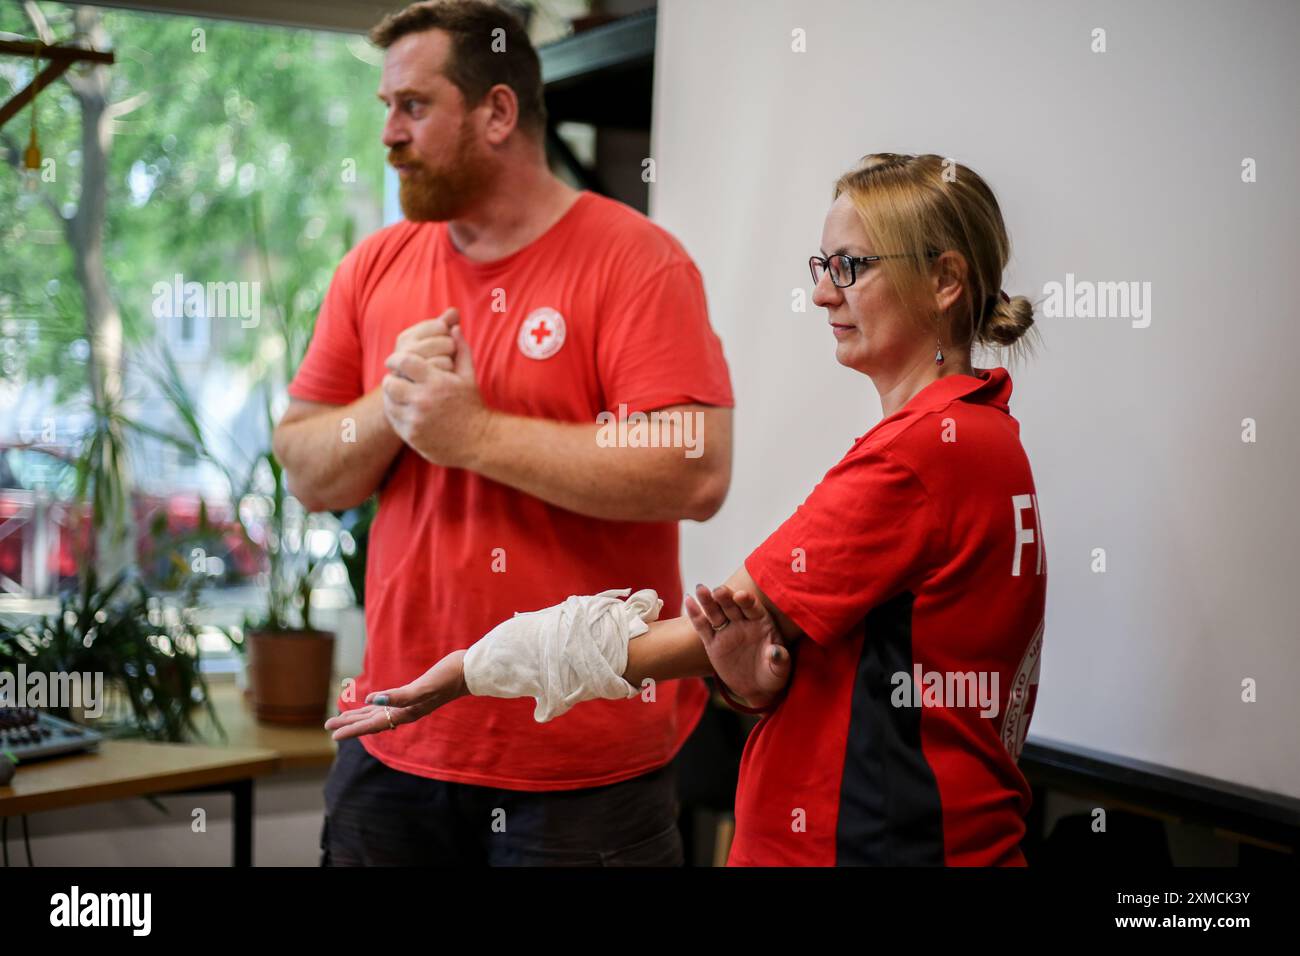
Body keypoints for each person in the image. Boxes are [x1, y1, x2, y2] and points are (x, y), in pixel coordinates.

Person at [327, 152, 1048, 866]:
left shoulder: (921, 455)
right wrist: (754, 674)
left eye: (852, 267)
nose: (825, 295)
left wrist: (467, 669)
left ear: (946, 279)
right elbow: (816, 650)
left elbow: (684, 634)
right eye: (820, 268)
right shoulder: (984, 433)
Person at [276, 0, 734, 866]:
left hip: (582, 767)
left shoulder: (634, 260)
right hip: (393, 741)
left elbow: (693, 469)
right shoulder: (374, 267)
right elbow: (306, 466)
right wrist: (393, 404)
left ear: (497, 111)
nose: (391, 135)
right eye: (386, 110)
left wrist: (473, 434)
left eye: (414, 106)